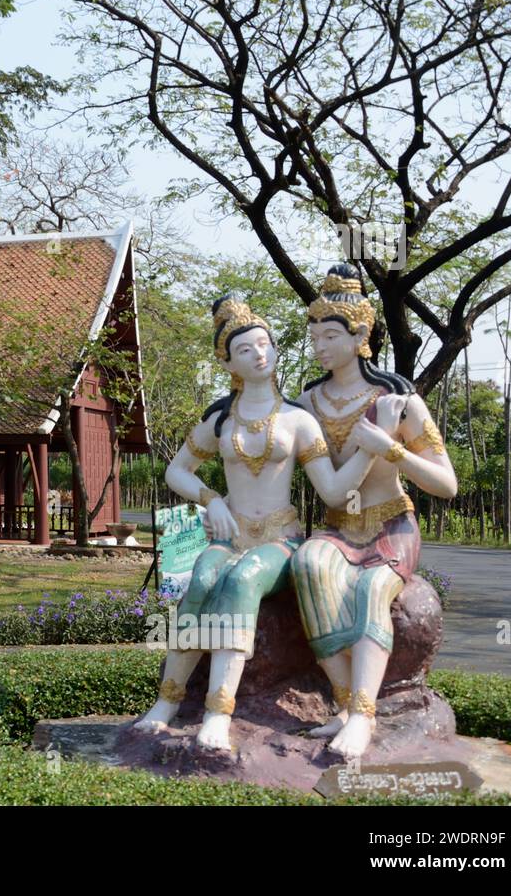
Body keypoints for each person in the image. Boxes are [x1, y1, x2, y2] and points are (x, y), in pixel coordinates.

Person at [136, 293, 392, 750]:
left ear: (274, 349)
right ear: (230, 364)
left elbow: (333, 492)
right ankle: (167, 701)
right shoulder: (220, 420)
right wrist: (211, 498)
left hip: (280, 539)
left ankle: (219, 711)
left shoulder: (299, 420)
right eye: (244, 350)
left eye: (264, 344)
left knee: (242, 580)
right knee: (203, 576)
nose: (258, 354)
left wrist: (372, 450)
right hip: (231, 532)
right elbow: (177, 471)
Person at [291, 264, 458, 758]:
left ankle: (364, 715)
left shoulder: (400, 402)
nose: (319, 346)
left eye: (330, 335)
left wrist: (393, 449)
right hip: (337, 526)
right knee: (307, 566)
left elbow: (446, 485)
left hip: (390, 523)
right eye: (314, 335)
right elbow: (325, 491)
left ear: (360, 334)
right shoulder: (308, 403)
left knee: (372, 589)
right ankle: (343, 703)